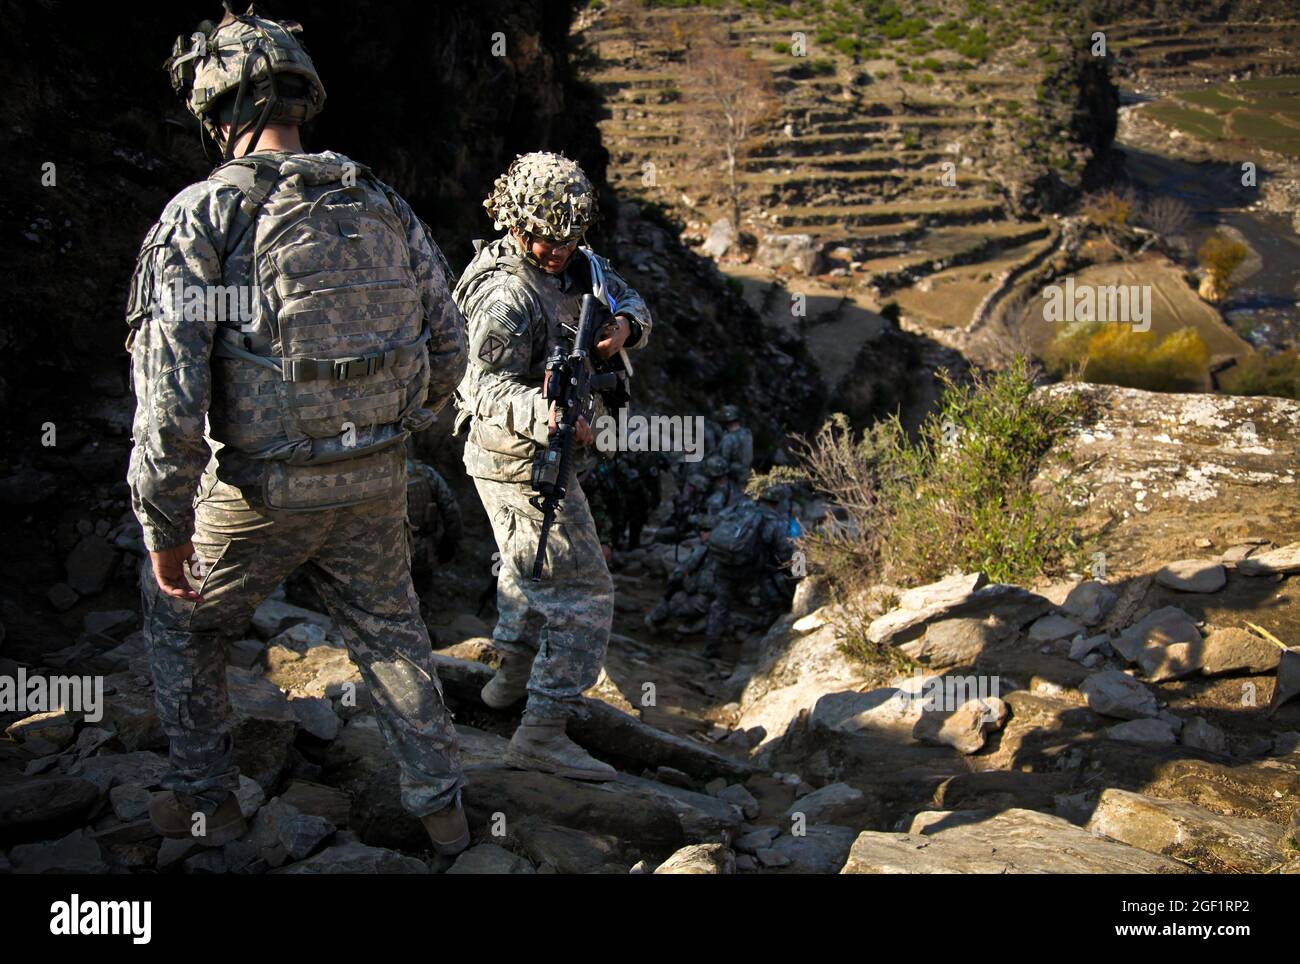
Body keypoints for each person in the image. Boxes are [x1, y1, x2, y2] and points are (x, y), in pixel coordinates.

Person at [129, 7, 470, 854]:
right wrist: (400, 431)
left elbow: (169, 399)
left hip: (259, 490)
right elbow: (450, 344)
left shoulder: (201, 216)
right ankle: (447, 814)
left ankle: (206, 804)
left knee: (182, 620)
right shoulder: (379, 199)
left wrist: (166, 526)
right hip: (375, 478)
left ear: (218, 117)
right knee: (392, 629)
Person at [452, 151, 653, 781]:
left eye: (569, 237)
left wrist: (622, 327)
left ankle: (508, 680)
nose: (557, 250)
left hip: (558, 450)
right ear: (516, 225)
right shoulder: (505, 298)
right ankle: (543, 730)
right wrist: (555, 419)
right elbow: (479, 389)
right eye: (544, 238)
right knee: (584, 592)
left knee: (526, 569)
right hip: (516, 458)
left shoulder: (583, 263)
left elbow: (631, 298)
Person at [704, 485, 795, 658]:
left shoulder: (740, 508)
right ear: (778, 501)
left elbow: (716, 524)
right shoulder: (775, 521)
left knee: (720, 604)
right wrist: (797, 574)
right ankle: (763, 645)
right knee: (771, 599)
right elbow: (786, 552)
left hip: (724, 563)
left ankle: (711, 646)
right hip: (751, 569)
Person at [406, 451, 463, 596]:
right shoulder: (426, 473)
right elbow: (451, 510)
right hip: (422, 551)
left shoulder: (377, 477)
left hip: (388, 555)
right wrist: (449, 544)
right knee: (421, 596)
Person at [716, 404, 755, 489]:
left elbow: (724, 461)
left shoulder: (728, 439)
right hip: (748, 474)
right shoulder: (747, 433)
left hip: (734, 477)